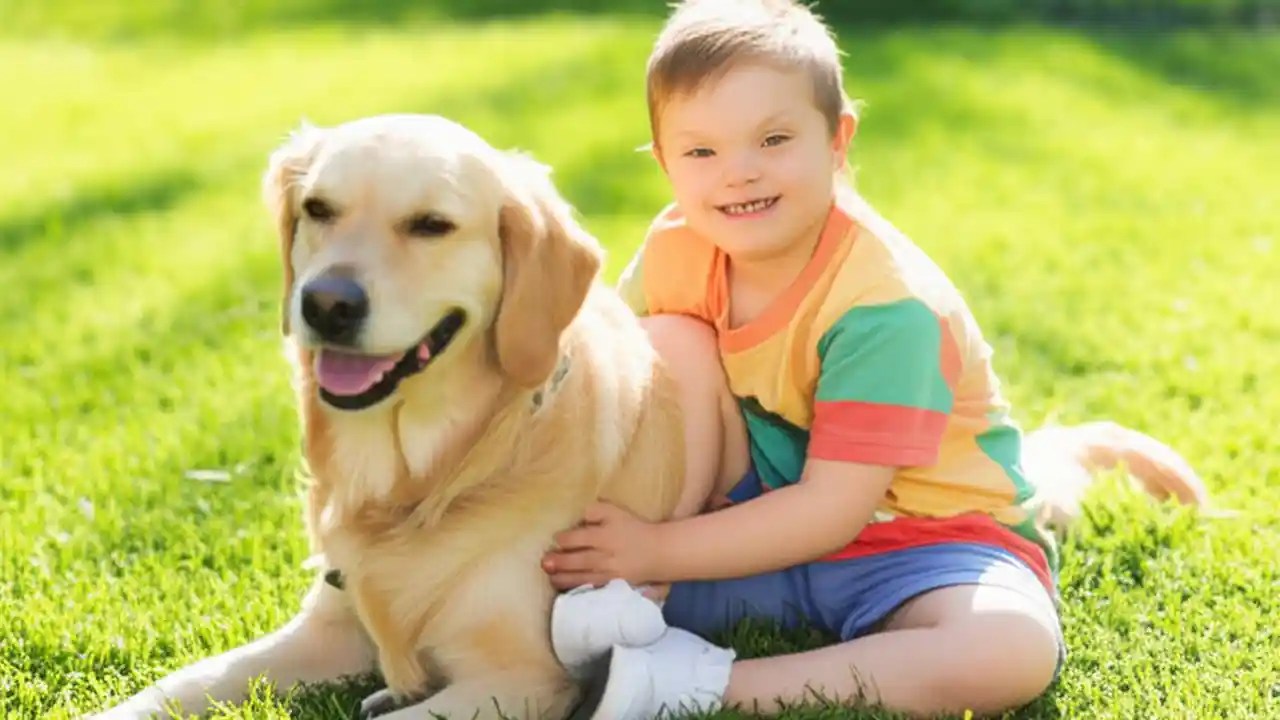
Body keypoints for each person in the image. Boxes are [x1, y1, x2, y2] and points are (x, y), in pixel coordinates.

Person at [540, 1, 1064, 717]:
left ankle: (698, 684)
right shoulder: (678, 247)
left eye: (774, 138)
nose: (739, 174)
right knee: (664, 345)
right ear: (665, 162)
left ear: (837, 139)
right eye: (701, 152)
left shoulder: (886, 307)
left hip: (918, 546)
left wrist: (655, 551)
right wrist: (634, 542)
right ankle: (620, 602)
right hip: (741, 519)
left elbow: (831, 511)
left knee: (1008, 648)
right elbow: (604, 383)